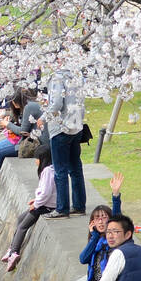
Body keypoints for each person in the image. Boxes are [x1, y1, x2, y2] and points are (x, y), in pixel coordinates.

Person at [0, 146, 55, 271]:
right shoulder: (49, 170)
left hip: (46, 207)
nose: (35, 161)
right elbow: (45, 192)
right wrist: (36, 200)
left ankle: (14, 252)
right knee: (21, 218)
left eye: (36, 158)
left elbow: (46, 193)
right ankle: (12, 247)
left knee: (23, 227)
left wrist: (36, 204)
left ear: (42, 159)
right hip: (43, 203)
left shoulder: (48, 171)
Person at [42, 70, 86, 218]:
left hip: (60, 128)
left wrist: (43, 117)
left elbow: (56, 104)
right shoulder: (77, 74)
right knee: (75, 168)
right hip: (77, 125)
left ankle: (62, 208)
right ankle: (79, 205)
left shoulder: (57, 78)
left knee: (60, 170)